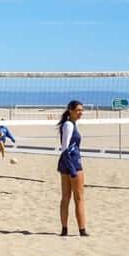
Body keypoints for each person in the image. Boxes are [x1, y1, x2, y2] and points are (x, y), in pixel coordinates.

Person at [57, 100, 87, 237]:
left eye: (82, 110)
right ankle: (82, 230)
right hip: (72, 163)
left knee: (66, 197)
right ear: (71, 110)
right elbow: (64, 148)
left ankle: (65, 230)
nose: (80, 112)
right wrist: (72, 169)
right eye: (78, 110)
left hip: (66, 163)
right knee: (78, 198)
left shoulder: (69, 124)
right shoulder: (69, 125)